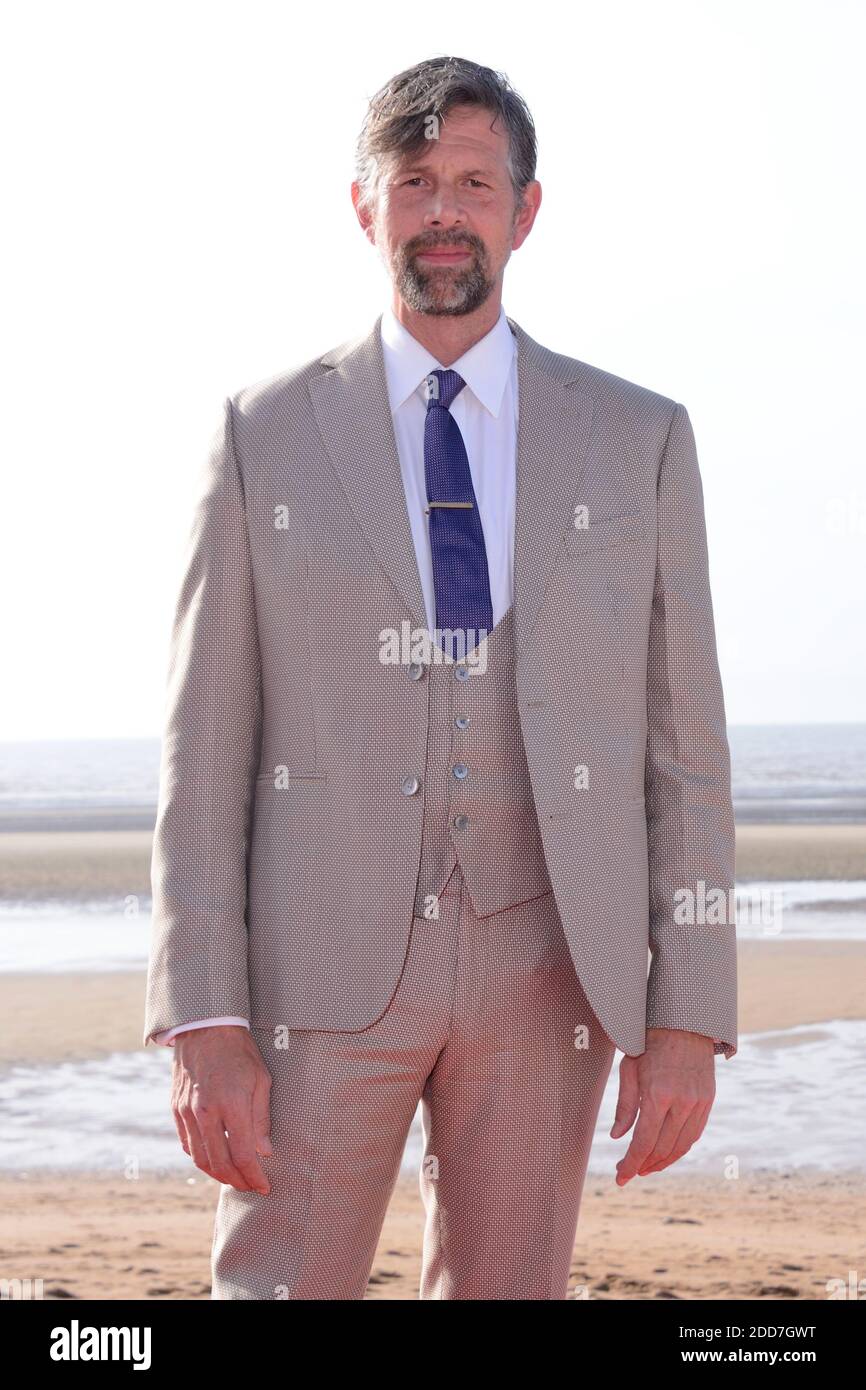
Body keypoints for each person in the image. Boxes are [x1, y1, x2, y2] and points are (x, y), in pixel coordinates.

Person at [143, 54, 737, 1300]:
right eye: (414, 183)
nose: (444, 211)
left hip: (546, 978)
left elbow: (682, 752)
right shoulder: (262, 436)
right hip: (314, 983)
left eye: (474, 181)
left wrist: (689, 1012)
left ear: (525, 209)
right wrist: (204, 1018)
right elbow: (202, 749)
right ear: (365, 208)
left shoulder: (638, 439)